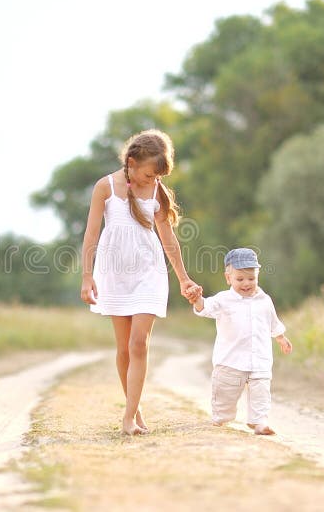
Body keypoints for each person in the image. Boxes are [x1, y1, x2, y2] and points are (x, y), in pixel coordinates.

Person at [80, 129, 200, 436]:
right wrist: (87, 275)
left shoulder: (156, 189)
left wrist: (184, 278)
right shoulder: (104, 187)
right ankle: (136, 408)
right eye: (148, 174)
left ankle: (128, 418)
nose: (152, 181)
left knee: (138, 343)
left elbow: (168, 238)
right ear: (131, 163)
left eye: (157, 176)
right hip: (114, 275)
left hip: (149, 272)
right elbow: (91, 234)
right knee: (123, 349)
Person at [186, 247, 292, 435]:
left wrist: (281, 337)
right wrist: (197, 300)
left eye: (251, 279)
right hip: (230, 361)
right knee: (225, 397)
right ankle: (221, 416)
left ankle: (259, 422)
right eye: (240, 279)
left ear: (257, 277)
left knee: (261, 392)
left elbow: (273, 321)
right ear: (228, 278)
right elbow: (206, 307)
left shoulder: (264, 300)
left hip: (259, 360)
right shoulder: (224, 299)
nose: (246, 283)